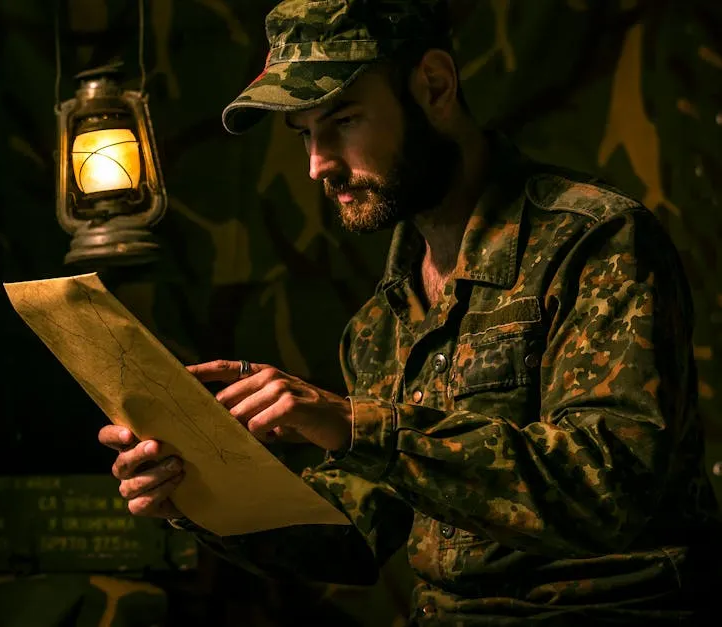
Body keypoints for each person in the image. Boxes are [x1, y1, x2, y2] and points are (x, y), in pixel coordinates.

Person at [99, 0, 721, 623]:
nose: (319, 164)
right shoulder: (380, 325)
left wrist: (358, 426)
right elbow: (353, 534)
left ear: (434, 85)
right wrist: (199, 488)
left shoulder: (594, 239)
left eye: (342, 120)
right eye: (305, 135)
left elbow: (609, 489)